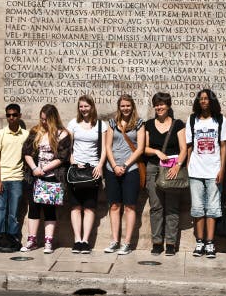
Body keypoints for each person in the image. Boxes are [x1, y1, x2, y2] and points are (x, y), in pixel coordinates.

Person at [186, 89, 226, 258]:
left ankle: (210, 243)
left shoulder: (219, 120)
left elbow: (224, 146)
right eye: (201, 99)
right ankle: (200, 242)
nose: (204, 101)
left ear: (211, 101)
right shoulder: (192, 120)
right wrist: (187, 166)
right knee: (198, 208)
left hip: (214, 170)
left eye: (206, 99)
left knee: (213, 208)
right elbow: (189, 146)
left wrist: (222, 169)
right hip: (196, 170)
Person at [20, 104, 70, 253]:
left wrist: (44, 169)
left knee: (49, 209)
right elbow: (26, 152)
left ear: (53, 119)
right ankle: (32, 240)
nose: (43, 122)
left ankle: (48, 241)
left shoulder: (62, 134)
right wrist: (35, 169)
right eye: (41, 119)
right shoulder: (36, 132)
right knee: (33, 208)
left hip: (52, 177)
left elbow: (62, 157)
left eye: (46, 119)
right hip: (34, 177)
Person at [143, 92, 187, 256]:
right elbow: (144, 148)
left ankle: (170, 243)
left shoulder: (177, 124)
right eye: (156, 104)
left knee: (173, 207)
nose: (159, 107)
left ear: (168, 106)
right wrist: (156, 151)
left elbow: (183, 149)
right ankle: (156, 242)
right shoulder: (148, 124)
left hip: (172, 169)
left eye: (162, 104)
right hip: (153, 168)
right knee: (156, 207)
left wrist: (178, 165)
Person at [103, 94, 145, 255]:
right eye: (123, 106)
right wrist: (114, 165)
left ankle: (126, 243)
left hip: (131, 169)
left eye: (128, 105)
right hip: (112, 168)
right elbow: (108, 147)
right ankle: (115, 240)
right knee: (114, 206)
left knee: (129, 206)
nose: (125, 108)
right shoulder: (112, 123)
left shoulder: (139, 124)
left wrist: (126, 165)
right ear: (119, 107)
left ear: (132, 106)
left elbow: (140, 148)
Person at [66, 95, 107, 254]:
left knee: (89, 207)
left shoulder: (100, 125)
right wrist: (73, 161)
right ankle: (77, 240)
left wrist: (100, 165)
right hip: (76, 170)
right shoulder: (73, 123)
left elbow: (104, 148)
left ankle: (85, 240)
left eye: (86, 106)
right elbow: (67, 146)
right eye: (81, 106)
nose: (83, 109)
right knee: (75, 206)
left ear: (92, 107)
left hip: (92, 170)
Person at [0, 103, 27, 243]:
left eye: (14, 115)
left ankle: (13, 240)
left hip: (17, 179)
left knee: (14, 214)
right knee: (0, 213)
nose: (11, 117)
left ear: (19, 116)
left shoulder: (26, 135)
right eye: (8, 115)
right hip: (3, 178)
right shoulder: (0, 134)